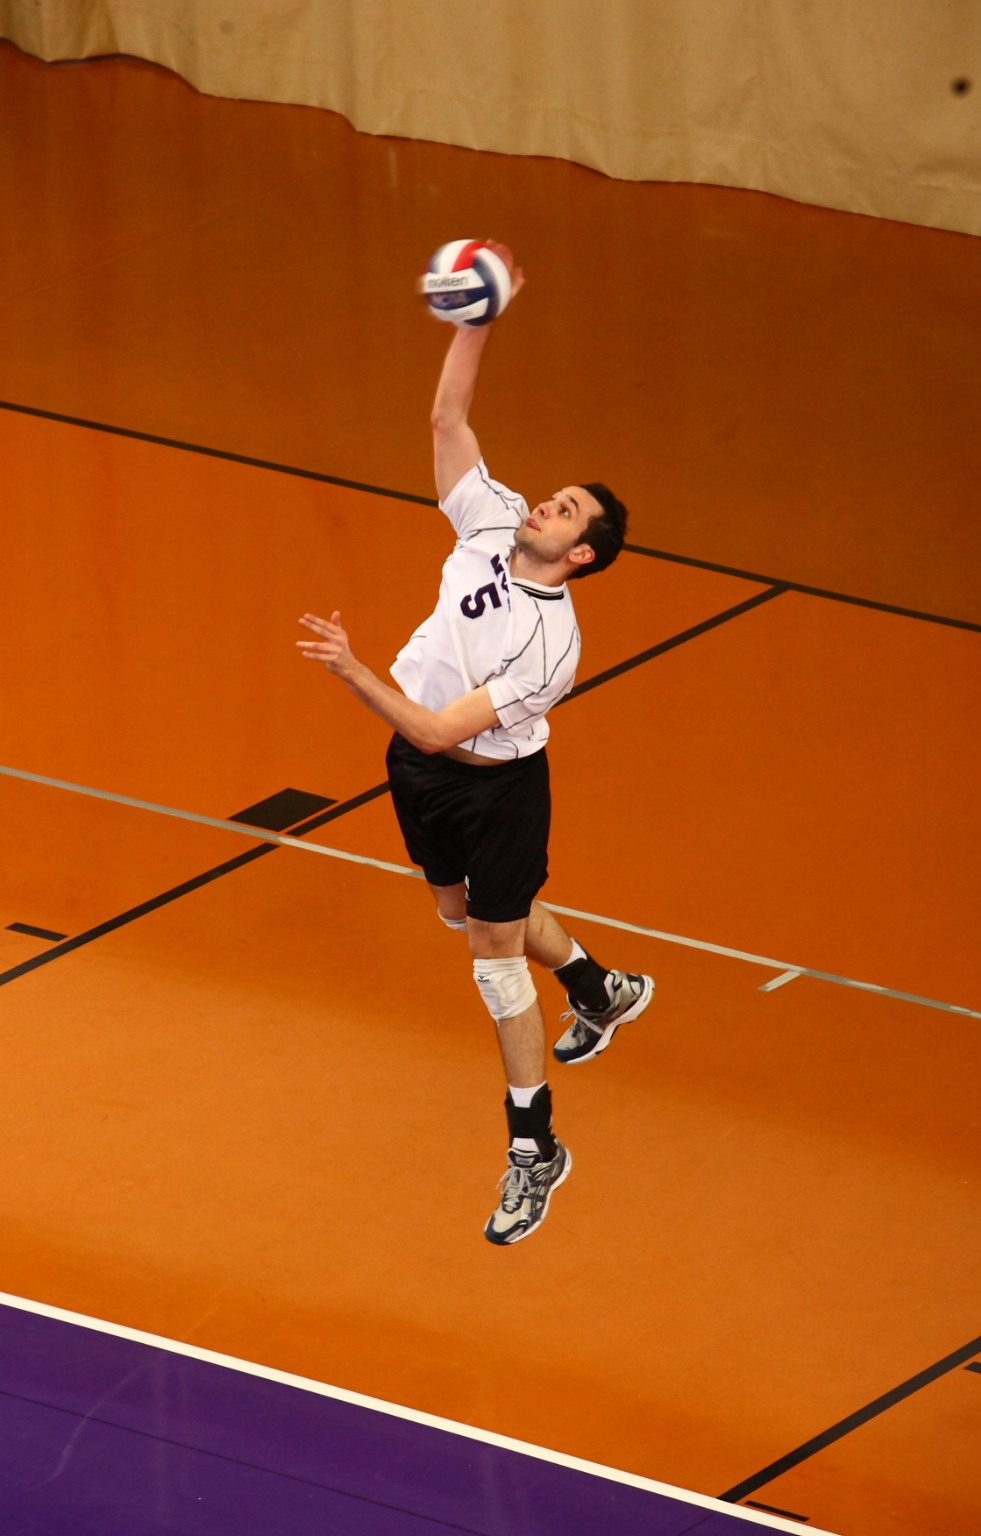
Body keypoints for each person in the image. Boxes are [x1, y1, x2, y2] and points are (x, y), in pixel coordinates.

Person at [297, 243, 654, 1245]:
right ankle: (597, 987)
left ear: (579, 556)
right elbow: (446, 422)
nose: (546, 503)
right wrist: (477, 316)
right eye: (555, 495)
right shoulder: (491, 523)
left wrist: (351, 664)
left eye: (567, 511)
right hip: (419, 776)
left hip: (495, 789)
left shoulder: (550, 645)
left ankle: (533, 1150)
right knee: (465, 916)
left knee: (493, 962)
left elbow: (432, 721)